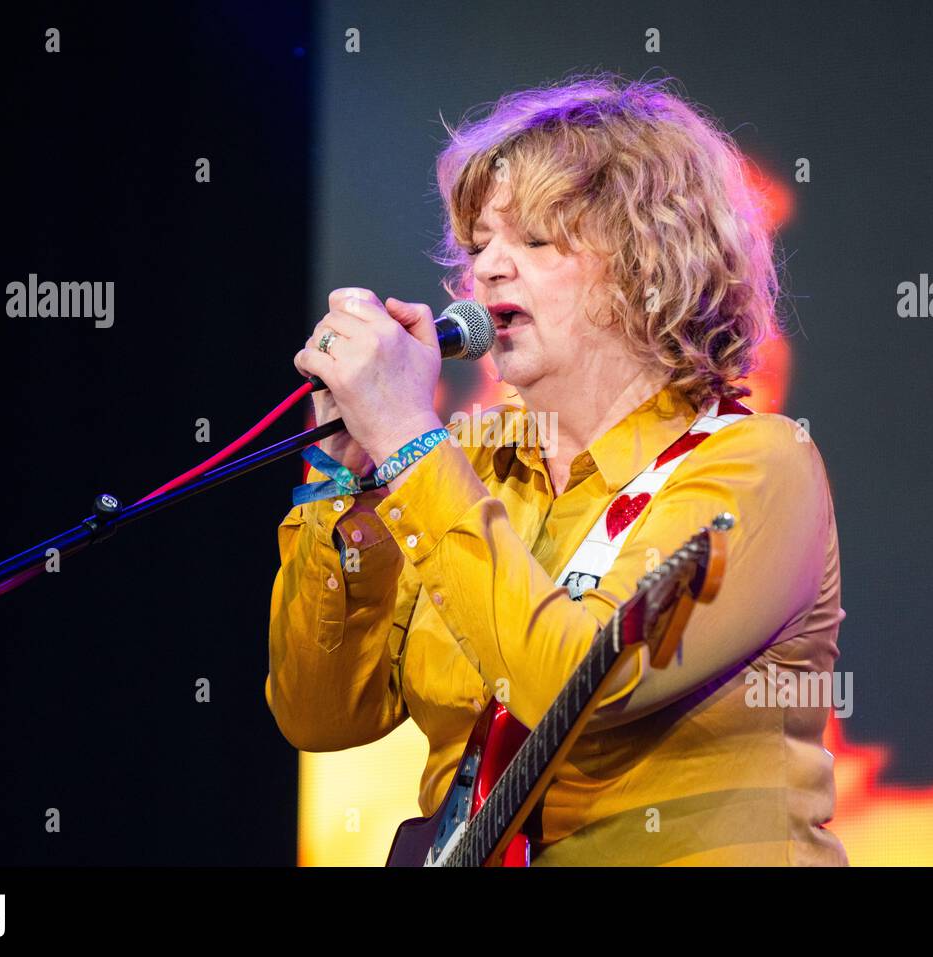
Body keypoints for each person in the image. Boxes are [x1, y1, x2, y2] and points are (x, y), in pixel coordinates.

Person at [267, 73, 848, 865]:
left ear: (651, 263)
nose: (490, 269)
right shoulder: (464, 465)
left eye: (535, 240)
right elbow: (321, 715)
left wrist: (407, 434)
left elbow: (579, 683)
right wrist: (345, 484)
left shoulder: (759, 463)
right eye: (479, 245)